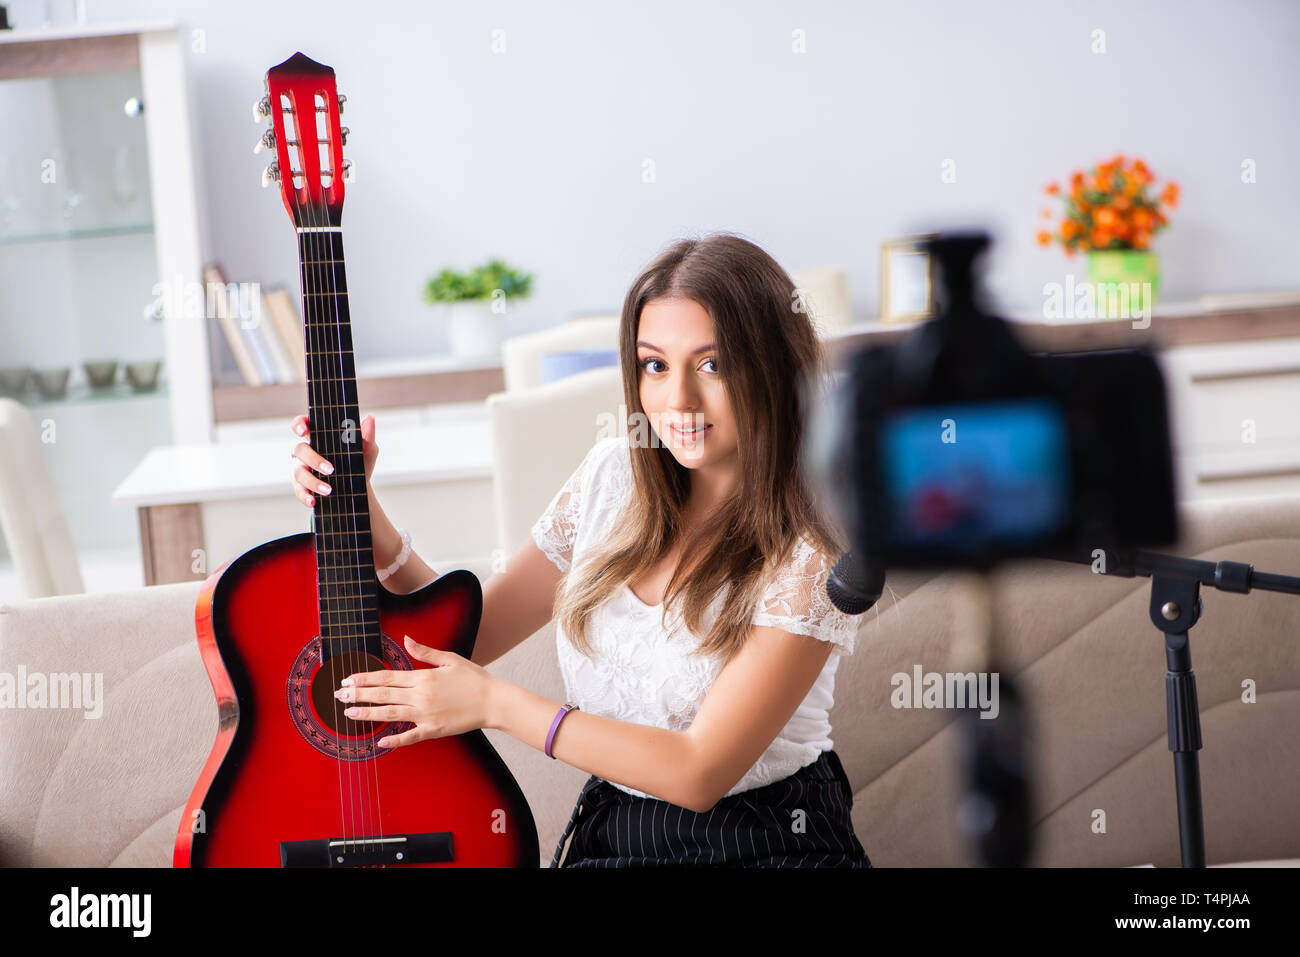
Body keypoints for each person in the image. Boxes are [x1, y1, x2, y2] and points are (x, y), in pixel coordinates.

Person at [290, 232, 873, 867]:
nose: (678, 400)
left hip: (765, 842)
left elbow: (698, 774)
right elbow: (464, 636)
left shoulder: (816, 550)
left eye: (713, 364)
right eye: (655, 365)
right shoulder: (611, 478)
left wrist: (494, 702)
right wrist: (360, 505)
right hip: (616, 835)